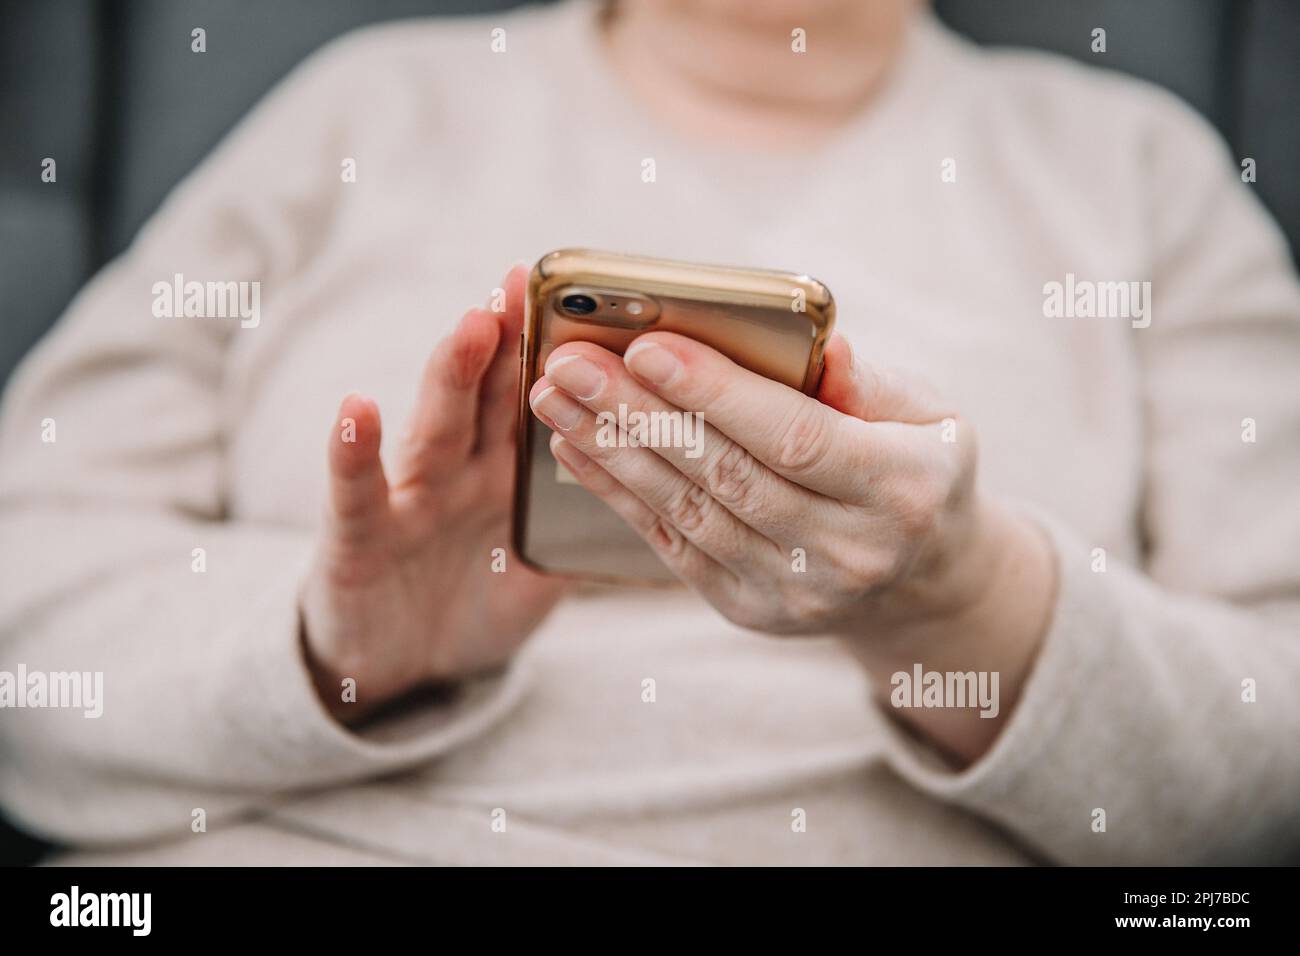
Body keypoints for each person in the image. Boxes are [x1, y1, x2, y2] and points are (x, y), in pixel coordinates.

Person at [1, 0, 1297, 865]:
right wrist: (345, 655)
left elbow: (1274, 755)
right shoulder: (362, 113)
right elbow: (26, 595)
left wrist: (963, 612)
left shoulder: (1133, 175)